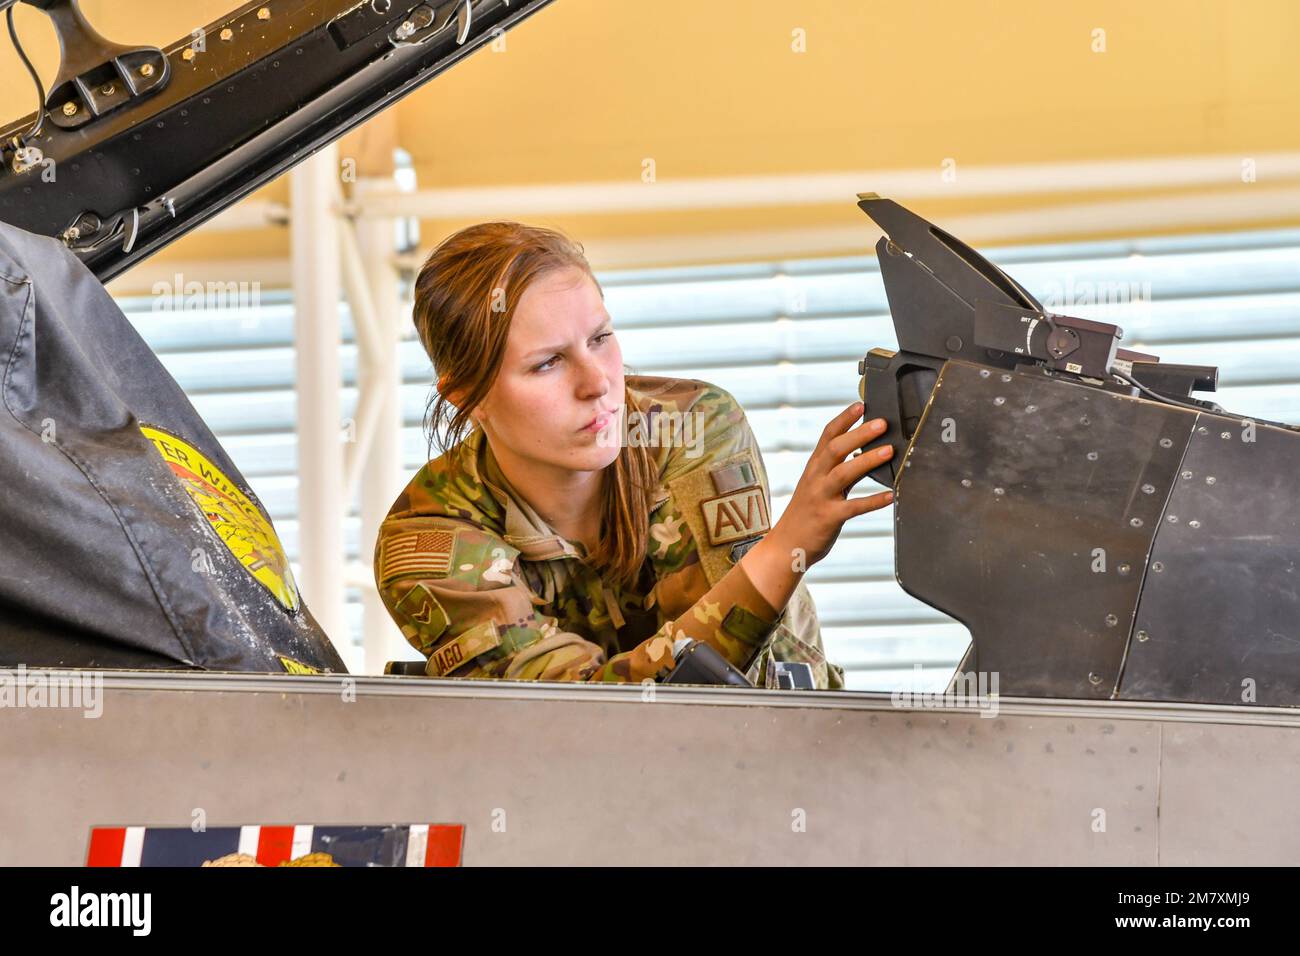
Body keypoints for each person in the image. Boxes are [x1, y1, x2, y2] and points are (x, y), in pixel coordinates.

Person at [374, 222, 895, 688]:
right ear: (467, 396)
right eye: (547, 363)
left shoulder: (689, 428)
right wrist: (784, 551)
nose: (598, 382)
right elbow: (578, 717)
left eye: (600, 337)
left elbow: (739, 686)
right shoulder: (428, 540)